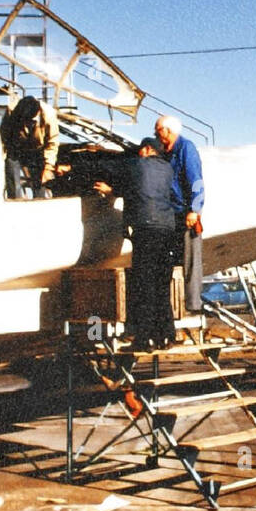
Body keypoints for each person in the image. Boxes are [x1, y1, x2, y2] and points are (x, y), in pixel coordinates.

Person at [94, 139, 178, 347]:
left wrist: (107, 188)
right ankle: (166, 335)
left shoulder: (136, 164)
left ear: (147, 150)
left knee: (144, 283)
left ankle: (144, 338)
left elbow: (114, 173)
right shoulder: (167, 169)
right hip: (167, 229)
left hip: (146, 229)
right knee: (161, 283)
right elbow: (139, 188)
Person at [154, 115, 203, 315]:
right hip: (168, 213)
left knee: (191, 260)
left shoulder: (186, 149)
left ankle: (193, 305)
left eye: (158, 129)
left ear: (168, 131)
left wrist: (194, 210)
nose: (155, 133)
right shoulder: (164, 152)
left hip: (185, 213)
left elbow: (196, 181)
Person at [1, 95, 60, 199]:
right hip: (16, 149)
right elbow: (3, 136)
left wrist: (48, 168)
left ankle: (39, 205)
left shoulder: (49, 115)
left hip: (37, 151)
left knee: (40, 184)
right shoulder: (12, 110)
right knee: (11, 172)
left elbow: (52, 143)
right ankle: (14, 201)